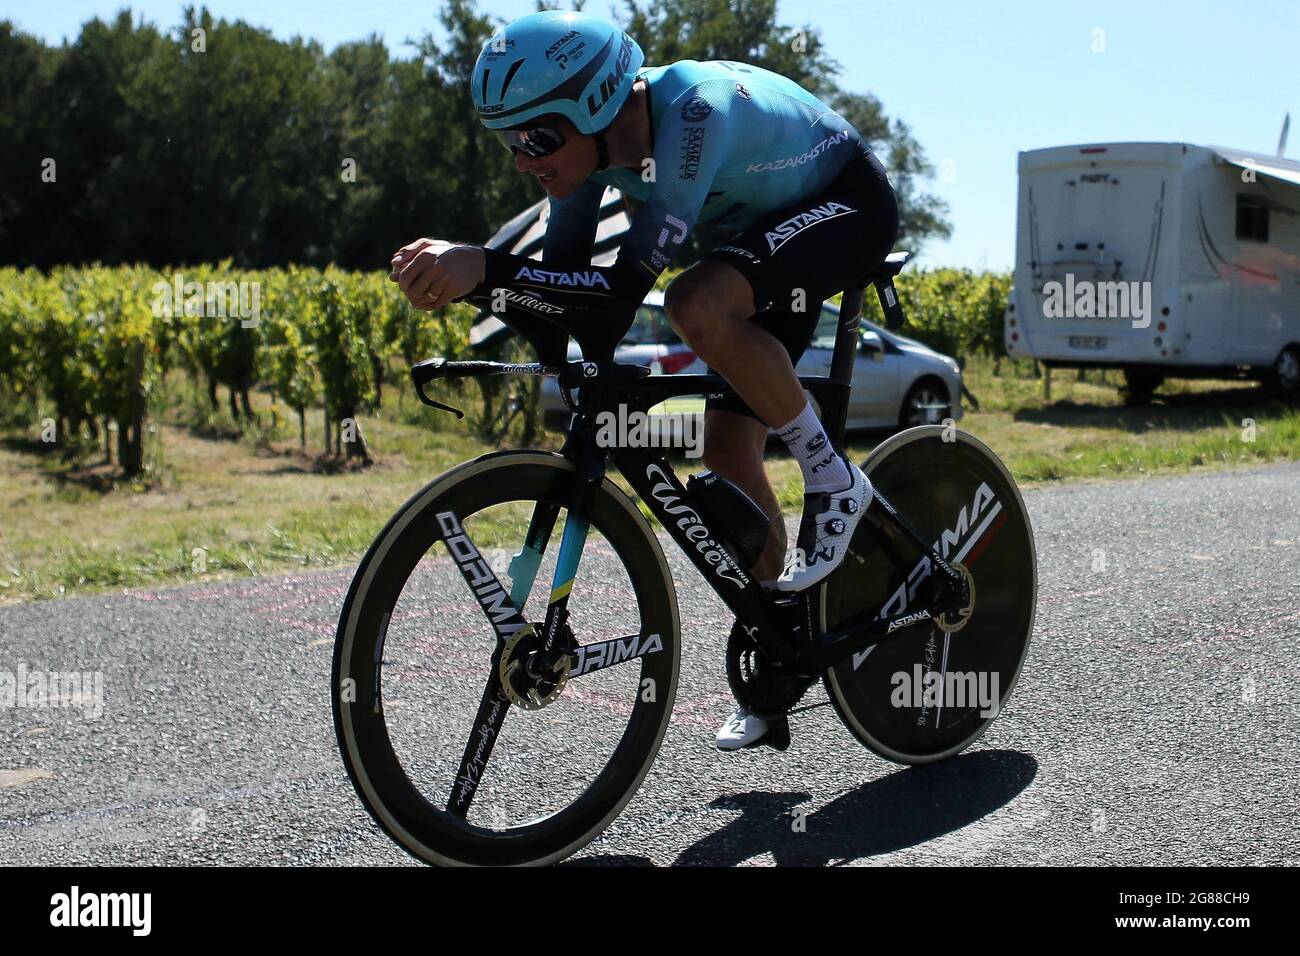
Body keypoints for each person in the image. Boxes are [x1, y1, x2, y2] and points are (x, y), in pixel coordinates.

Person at [391, 10, 899, 750]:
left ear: (596, 103)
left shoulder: (690, 114)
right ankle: (780, 649)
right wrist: (482, 287)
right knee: (727, 451)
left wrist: (488, 267)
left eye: (535, 137)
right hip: (761, 241)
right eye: (507, 140)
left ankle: (833, 479)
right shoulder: (583, 160)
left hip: (845, 203)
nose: (521, 159)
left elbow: (621, 292)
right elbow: (569, 300)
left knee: (696, 300)